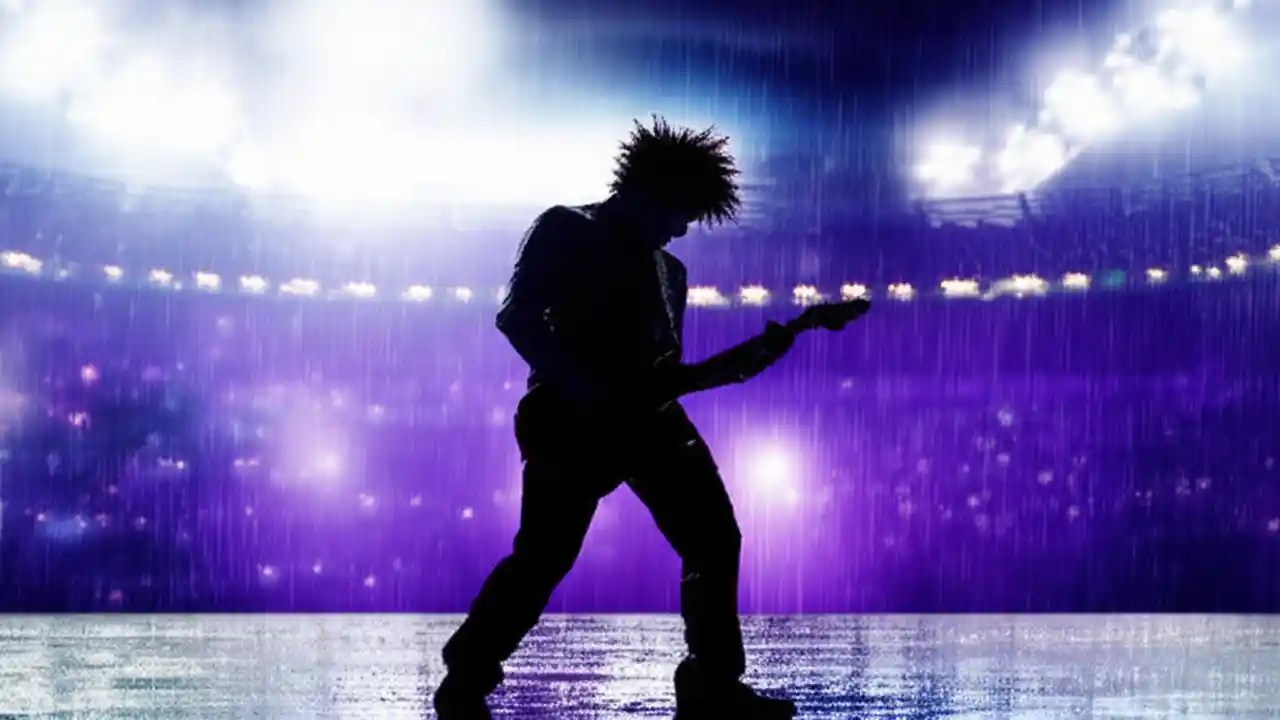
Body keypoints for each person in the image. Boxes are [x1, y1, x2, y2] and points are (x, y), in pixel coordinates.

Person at [435, 116, 853, 719]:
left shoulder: (670, 272)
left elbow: (664, 373)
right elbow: (517, 317)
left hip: (646, 419)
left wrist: (792, 333)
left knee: (713, 538)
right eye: (680, 213)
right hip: (571, 421)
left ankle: (712, 681)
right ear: (644, 191)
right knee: (546, 557)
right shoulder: (565, 227)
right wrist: (582, 387)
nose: (682, 230)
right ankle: (468, 674)